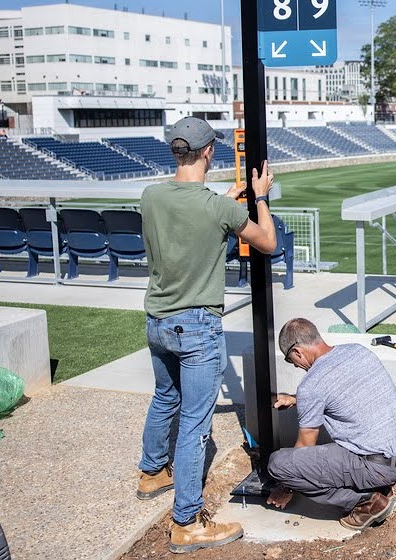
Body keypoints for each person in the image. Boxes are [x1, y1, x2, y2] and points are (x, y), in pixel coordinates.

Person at [135, 116, 277, 554]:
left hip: (157, 320)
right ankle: (186, 523)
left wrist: (226, 202)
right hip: (197, 324)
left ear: (176, 151)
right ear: (209, 152)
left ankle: (152, 472)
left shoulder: (152, 195)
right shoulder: (219, 208)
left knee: (165, 398)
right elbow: (267, 241)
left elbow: (188, 216)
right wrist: (259, 199)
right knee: (196, 423)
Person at [265, 317, 396, 531]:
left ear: (298, 351)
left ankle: (366, 502)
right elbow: (343, 391)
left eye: (292, 361)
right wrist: (297, 398)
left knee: (279, 464)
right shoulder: (357, 351)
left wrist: (285, 488)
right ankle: (377, 487)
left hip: (376, 466)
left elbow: (304, 448)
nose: (297, 367)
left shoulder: (312, 384)